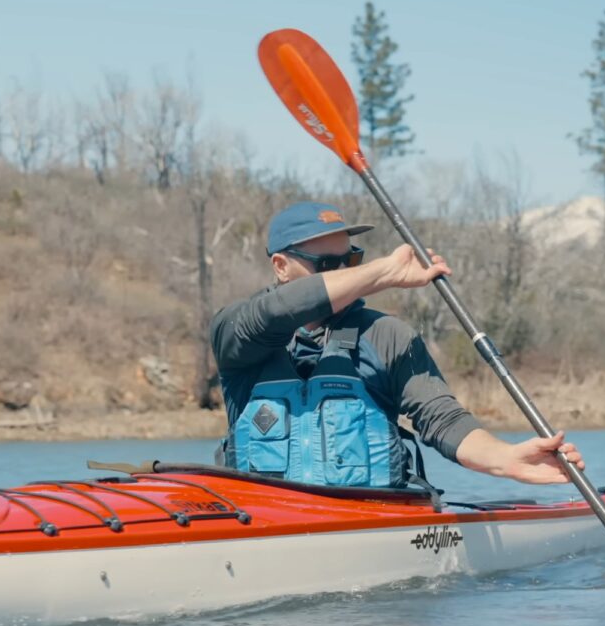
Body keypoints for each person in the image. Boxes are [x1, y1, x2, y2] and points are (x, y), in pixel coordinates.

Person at [210, 200, 583, 489]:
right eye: (327, 262)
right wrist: (384, 273)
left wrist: (506, 459)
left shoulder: (386, 335)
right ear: (280, 266)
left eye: (352, 259)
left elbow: (443, 420)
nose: (345, 273)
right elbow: (275, 312)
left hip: (367, 516)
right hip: (260, 514)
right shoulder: (236, 331)